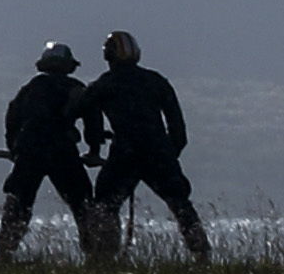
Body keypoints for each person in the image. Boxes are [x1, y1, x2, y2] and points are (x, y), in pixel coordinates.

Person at [83, 29, 209, 262]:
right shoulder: (156, 81)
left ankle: (103, 258)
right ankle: (201, 254)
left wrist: (94, 147)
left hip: (125, 154)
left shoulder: (104, 85)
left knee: (105, 205)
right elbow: (177, 126)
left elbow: (84, 114)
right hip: (159, 152)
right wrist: (170, 154)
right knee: (180, 204)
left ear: (108, 56)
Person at [0, 40, 102, 263]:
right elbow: (93, 120)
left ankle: (5, 252)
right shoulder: (75, 89)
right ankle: (94, 255)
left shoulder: (30, 89)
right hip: (62, 152)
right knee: (82, 203)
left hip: (29, 151)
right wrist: (94, 150)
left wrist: (14, 148)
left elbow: (12, 118)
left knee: (19, 202)